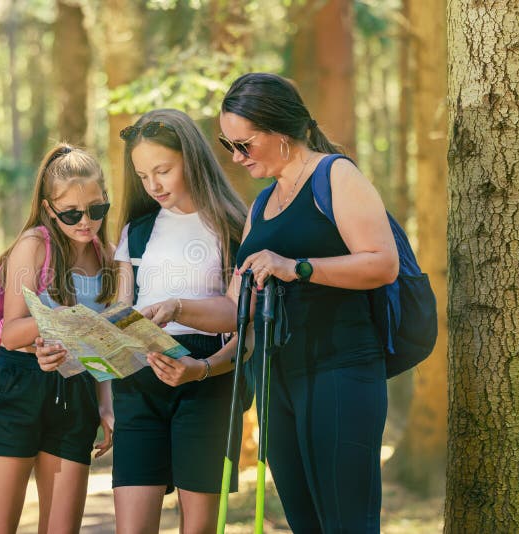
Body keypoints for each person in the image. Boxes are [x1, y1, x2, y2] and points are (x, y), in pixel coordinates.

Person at [147, 72, 399, 532]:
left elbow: (383, 263)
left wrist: (297, 266)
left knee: (347, 523)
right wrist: (177, 308)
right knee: (305, 522)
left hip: (341, 372)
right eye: (229, 146)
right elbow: (235, 310)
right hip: (276, 383)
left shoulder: (335, 174)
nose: (237, 157)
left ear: (281, 131)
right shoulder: (261, 206)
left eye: (245, 144)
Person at [111, 108, 249, 533]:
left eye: (163, 170)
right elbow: (121, 309)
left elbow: (242, 321)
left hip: (206, 380)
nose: (152, 185)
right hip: (137, 377)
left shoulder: (233, 226)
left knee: (200, 528)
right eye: (142, 175)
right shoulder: (136, 230)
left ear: (190, 157)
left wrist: (199, 359)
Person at [0, 143, 116, 534]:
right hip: (19, 387)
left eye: (96, 210)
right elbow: (11, 332)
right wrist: (61, 320)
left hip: (77, 392)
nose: (85, 222)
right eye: (72, 213)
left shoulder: (107, 256)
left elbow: (103, 342)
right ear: (49, 207)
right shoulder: (34, 247)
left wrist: (106, 406)